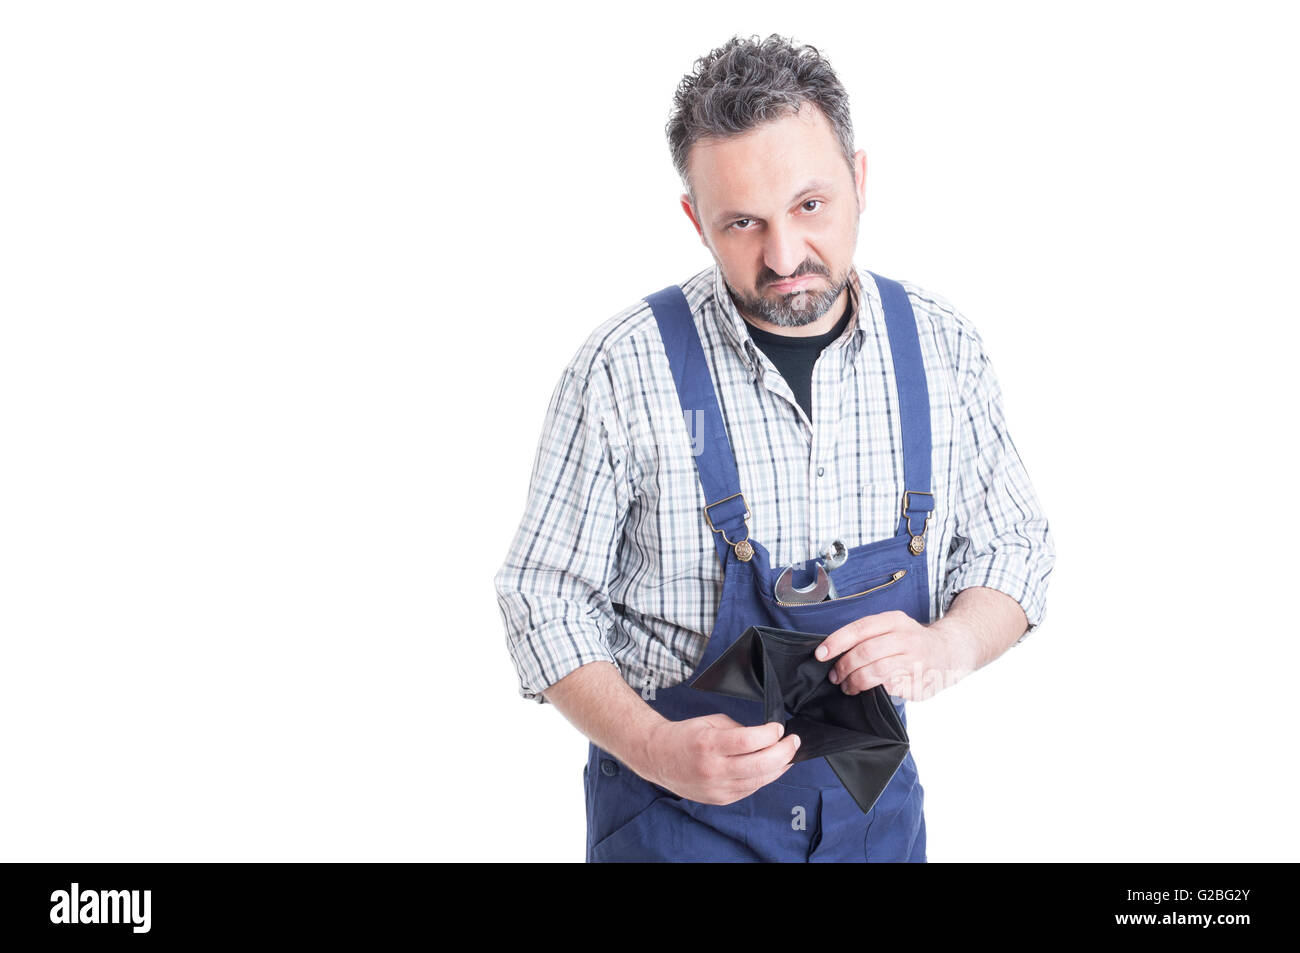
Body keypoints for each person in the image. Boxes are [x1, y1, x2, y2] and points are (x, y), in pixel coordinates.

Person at [493, 33, 1055, 862]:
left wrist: (948, 645)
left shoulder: (944, 350)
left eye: (810, 206)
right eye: (743, 222)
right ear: (696, 220)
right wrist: (654, 748)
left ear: (860, 181)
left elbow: (1017, 548)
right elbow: (539, 598)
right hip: (672, 820)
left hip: (874, 824)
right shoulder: (622, 368)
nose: (784, 255)